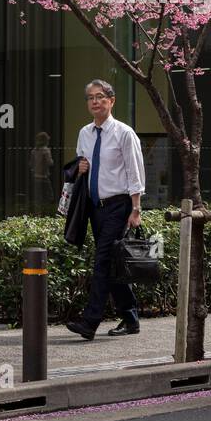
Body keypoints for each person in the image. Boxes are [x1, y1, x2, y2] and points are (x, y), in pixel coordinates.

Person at [65, 79, 145, 340]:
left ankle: (90, 323)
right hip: (95, 208)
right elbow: (80, 164)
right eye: (90, 98)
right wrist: (80, 168)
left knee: (101, 262)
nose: (95, 101)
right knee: (111, 263)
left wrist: (136, 208)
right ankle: (131, 317)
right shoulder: (84, 133)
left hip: (119, 206)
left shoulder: (124, 133)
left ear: (111, 101)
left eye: (100, 97)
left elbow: (135, 172)